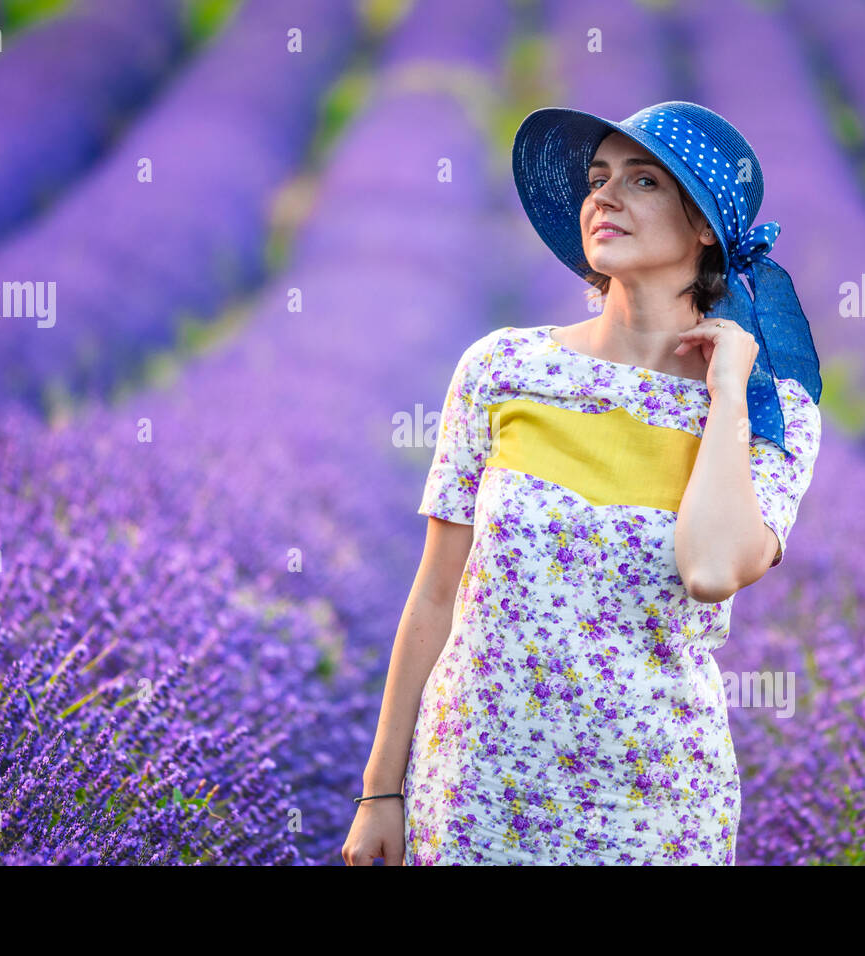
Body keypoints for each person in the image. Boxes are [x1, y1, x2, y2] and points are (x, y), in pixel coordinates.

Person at [343, 101, 822, 865]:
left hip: (653, 806)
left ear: (704, 228)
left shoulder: (773, 416)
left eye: (644, 181)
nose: (605, 196)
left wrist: (729, 390)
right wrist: (380, 790)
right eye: (598, 179)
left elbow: (710, 569)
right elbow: (435, 593)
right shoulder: (502, 368)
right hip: (476, 791)